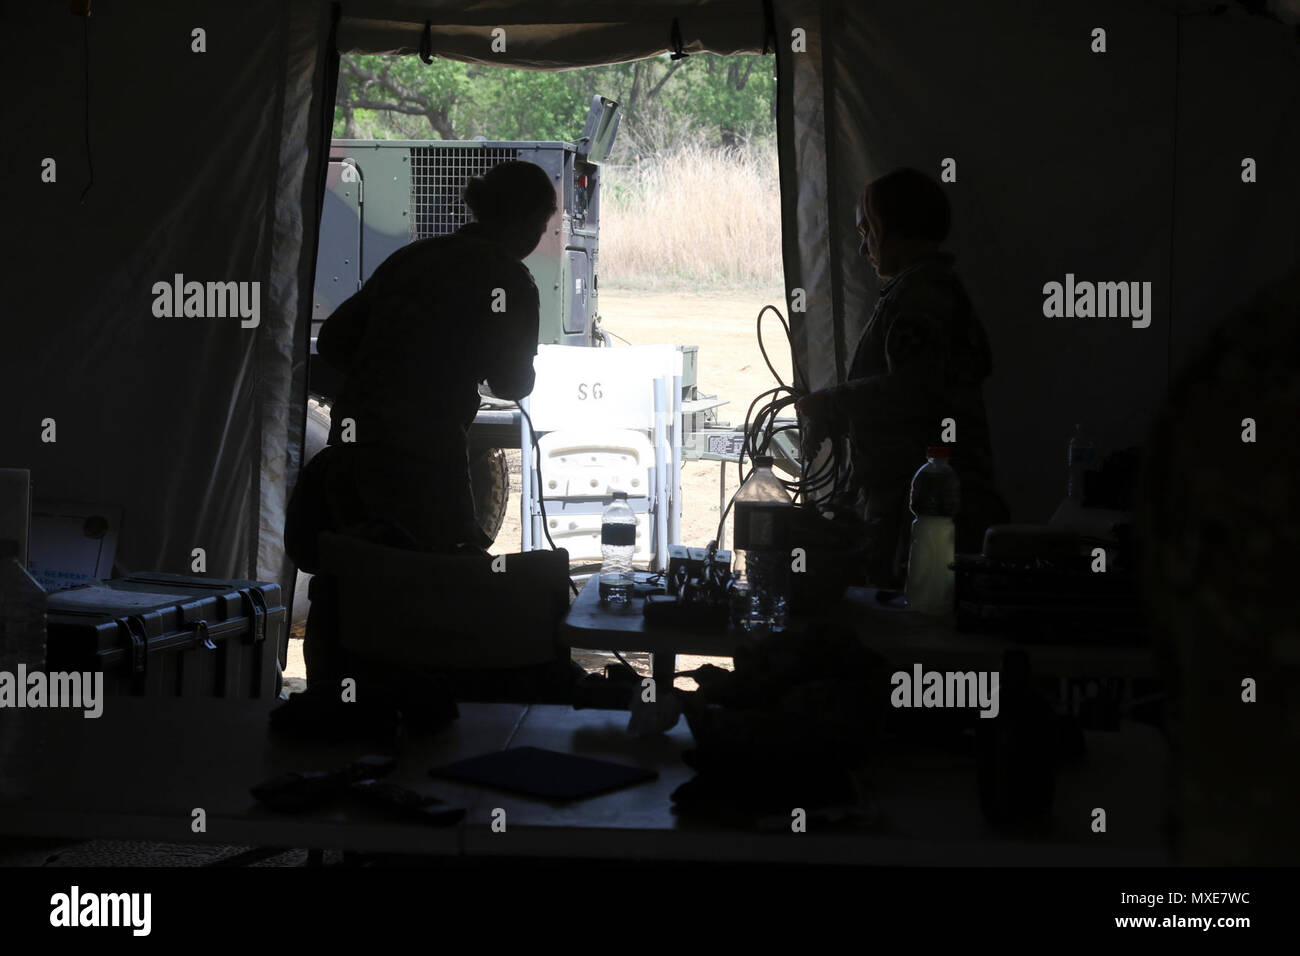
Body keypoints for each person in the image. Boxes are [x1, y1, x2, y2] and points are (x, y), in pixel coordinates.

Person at [285, 160, 557, 690]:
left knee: (351, 574)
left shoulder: (416, 257)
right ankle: (423, 718)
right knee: (435, 582)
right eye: (543, 226)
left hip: (357, 450)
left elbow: (338, 341)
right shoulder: (508, 277)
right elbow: (511, 383)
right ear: (525, 220)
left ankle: (335, 707)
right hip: (427, 457)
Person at [795, 167, 1007, 587]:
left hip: (924, 513)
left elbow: (913, 391)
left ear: (896, 230)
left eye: (868, 230)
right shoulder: (924, 289)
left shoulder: (921, 297)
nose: (863, 247)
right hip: (926, 507)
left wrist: (830, 403)